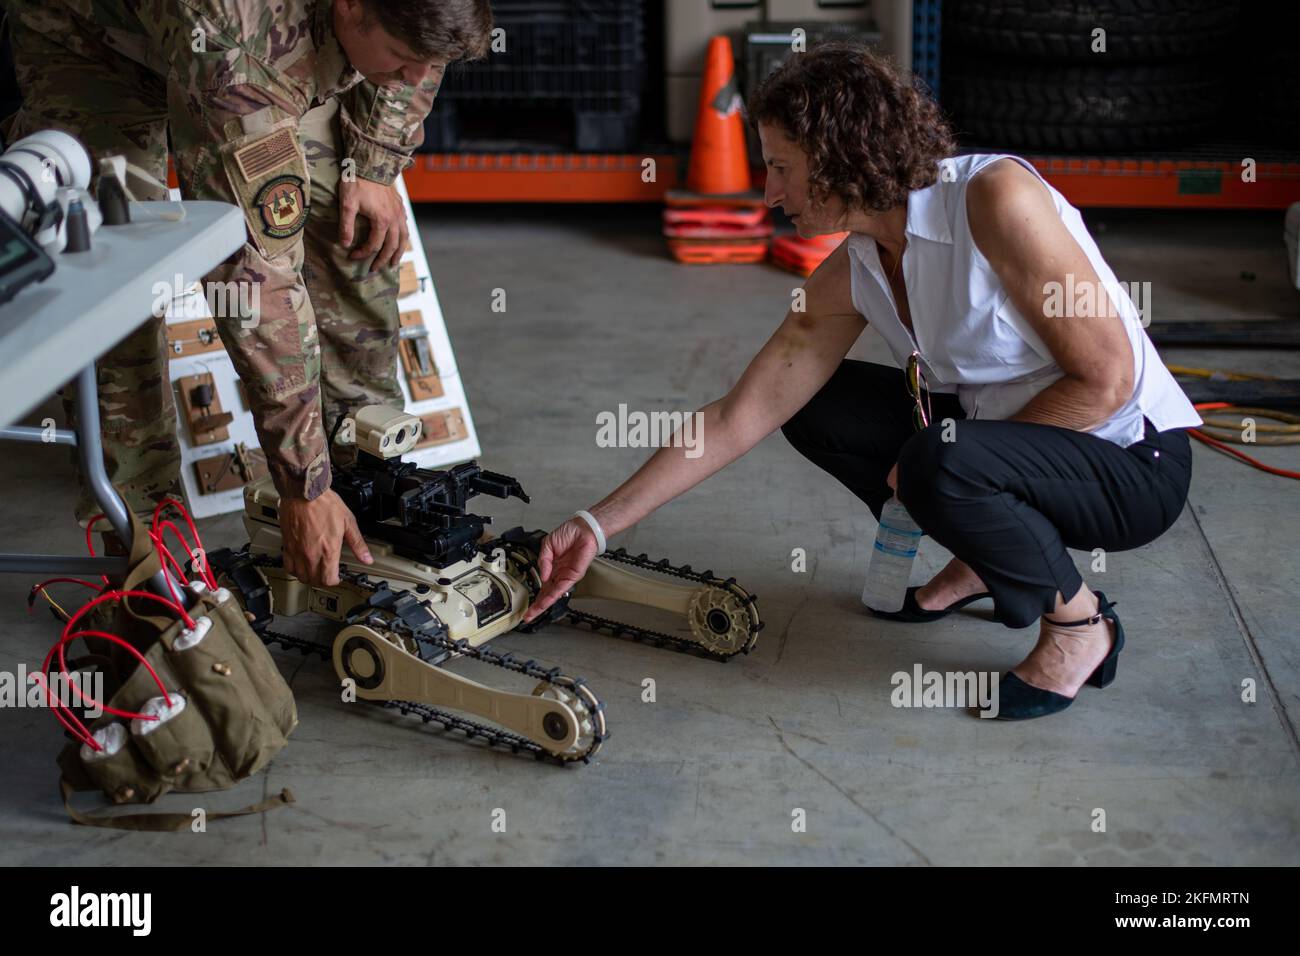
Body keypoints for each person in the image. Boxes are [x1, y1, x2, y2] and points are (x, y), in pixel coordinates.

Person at [523, 43, 1202, 721]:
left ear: (840, 154)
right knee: (825, 408)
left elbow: (1107, 380)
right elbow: (741, 413)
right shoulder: (859, 267)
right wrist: (596, 525)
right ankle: (989, 551)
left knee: (944, 458)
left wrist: (959, 466)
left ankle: (1082, 628)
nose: (769, 194)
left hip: (1129, 461)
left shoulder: (994, 198)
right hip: (1002, 447)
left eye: (781, 169)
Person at [2, 0, 492, 586]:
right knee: (119, 284)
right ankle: (142, 539)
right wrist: (302, 486)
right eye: (405, 58)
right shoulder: (241, 55)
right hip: (96, 43)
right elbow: (255, 283)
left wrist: (376, 159)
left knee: (347, 210)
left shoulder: (402, 27)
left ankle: (363, 469)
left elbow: (426, 40)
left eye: (432, 63)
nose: (418, 76)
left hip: (252, 42)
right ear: (352, 8)